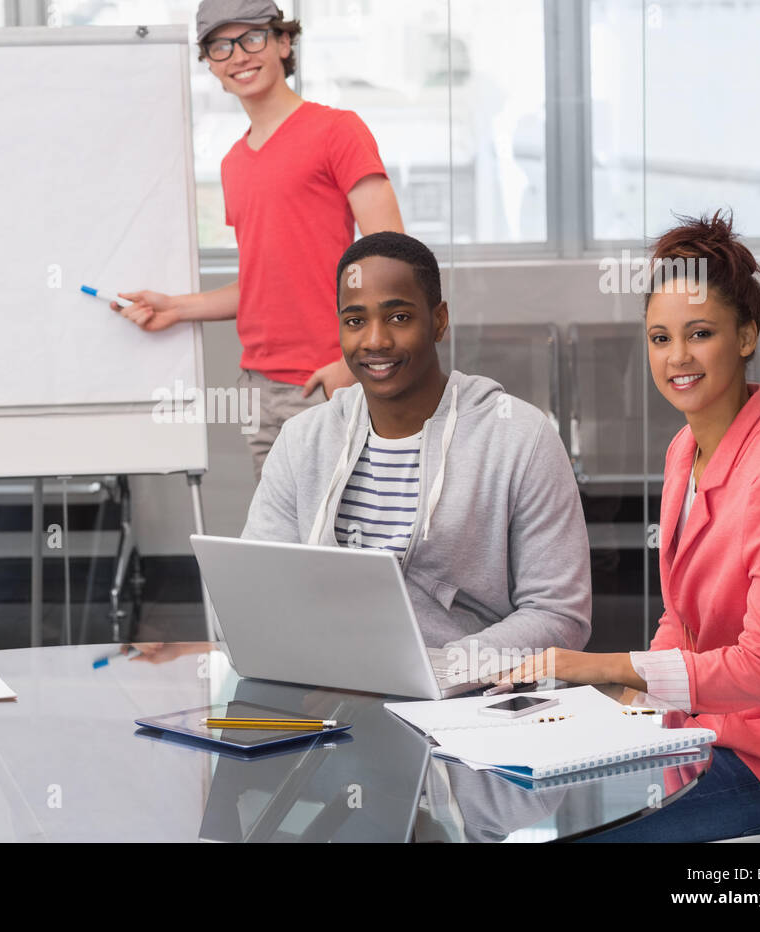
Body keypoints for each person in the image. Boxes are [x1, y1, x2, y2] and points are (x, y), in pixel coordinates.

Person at [500, 212, 760, 840]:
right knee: (532, 796)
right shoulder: (681, 453)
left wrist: (601, 668)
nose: (678, 357)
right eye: (660, 338)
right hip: (702, 733)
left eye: (699, 333)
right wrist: (637, 705)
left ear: (746, 336)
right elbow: (680, 620)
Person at [242, 232, 591, 658]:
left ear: (439, 320)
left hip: (467, 703)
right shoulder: (302, 440)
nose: (375, 341)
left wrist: (440, 668)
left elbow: (560, 617)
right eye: (355, 321)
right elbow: (257, 596)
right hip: (331, 693)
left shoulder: (521, 437)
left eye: (399, 317)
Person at [112, 0, 404, 479]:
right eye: (220, 46)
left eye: (251, 38)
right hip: (257, 386)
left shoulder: (337, 130)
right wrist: (177, 307)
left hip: (327, 377)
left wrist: (352, 363)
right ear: (209, 62)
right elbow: (265, 281)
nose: (238, 56)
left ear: (283, 43)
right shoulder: (233, 163)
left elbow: (395, 260)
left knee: (344, 544)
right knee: (284, 547)